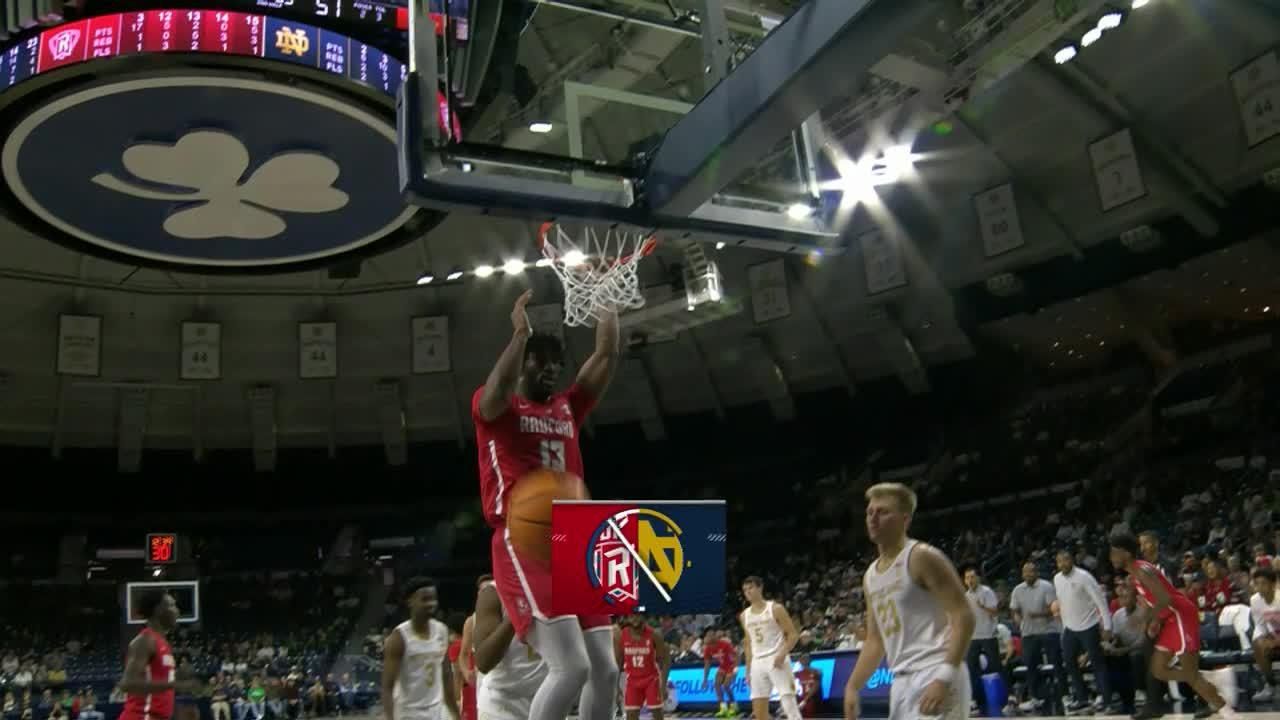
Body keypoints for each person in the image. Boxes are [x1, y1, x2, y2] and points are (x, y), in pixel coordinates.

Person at [472, 289, 621, 720]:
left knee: (606, 669)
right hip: (525, 536)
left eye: (558, 365)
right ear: (525, 364)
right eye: (543, 363)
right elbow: (497, 386)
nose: (552, 371)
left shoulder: (567, 407)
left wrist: (606, 296)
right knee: (571, 667)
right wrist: (520, 334)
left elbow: (607, 354)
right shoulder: (498, 409)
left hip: (575, 534)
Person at [843, 482, 975, 720]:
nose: (873, 518)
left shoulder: (922, 556)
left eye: (882, 512)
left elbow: (963, 615)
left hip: (935, 669)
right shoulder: (870, 575)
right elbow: (875, 640)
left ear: (905, 520)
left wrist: (944, 676)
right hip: (901, 680)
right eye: (870, 512)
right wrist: (853, 686)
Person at [1108, 532, 1235, 719]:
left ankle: (1228, 712)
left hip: (1180, 614)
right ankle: (1212, 677)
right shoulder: (1136, 572)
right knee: (1159, 669)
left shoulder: (1141, 570)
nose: (1111, 557)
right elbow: (1157, 600)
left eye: (1114, 552)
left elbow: (1166, 598)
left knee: (1189, 673)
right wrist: (1155, 620)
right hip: (1169, 617)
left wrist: (1146, 618)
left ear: (1125, 553)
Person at [381, 578, 460, 720]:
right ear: (410, 601)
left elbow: (446, 674)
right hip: (408, 714)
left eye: (434, 599)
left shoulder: (441, 630)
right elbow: (387, 687)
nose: (431, 604)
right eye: (425, 599)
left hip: (437, 711)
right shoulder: (399, 638)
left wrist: (455, 713)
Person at [472, 575, 547, 720]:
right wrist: (516, 614)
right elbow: (483, 662)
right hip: (502, 705)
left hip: (546, 701)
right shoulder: (493, 593)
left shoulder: (560, 588)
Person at [118, 591, 198, 720]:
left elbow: (158, 686)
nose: (177, 611)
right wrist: (174, 684)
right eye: (172, 605)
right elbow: (127, 684)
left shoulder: (163, 643)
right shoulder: (144, 641)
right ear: (158, 610)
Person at [1052, 548, 1113, 712]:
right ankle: (1082, 699)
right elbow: (1063, 603)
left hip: (1089, 625)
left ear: (1072, 560)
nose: (1063, 563)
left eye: (1065, 560)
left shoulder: (1084, 577)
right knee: (1070, 663)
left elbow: (1100, 601)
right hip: (1070, 628)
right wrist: (1064, 627)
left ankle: (1107, 701)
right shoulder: (1056, 579)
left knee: (1098, 664)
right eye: (1059, 561)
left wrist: (1107, 626)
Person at [738, 577, 802, 720]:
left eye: (751, 588)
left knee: (789, 705)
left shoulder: (775, 608)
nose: (748, 592)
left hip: (776, 657)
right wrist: (748, 670)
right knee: (759, 712)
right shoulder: (744, 616)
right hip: (757, 662)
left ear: (760, 588)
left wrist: (782, 653)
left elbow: (793, 635)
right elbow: (748, 644)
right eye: (745, 590)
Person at [1009, 562, 1063, 713]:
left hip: (1049, 631)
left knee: (1056, 664)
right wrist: (1017, 618)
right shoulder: (1017, 590)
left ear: (1036, 573)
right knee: (1031, 666)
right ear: (1022, 574)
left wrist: (1036, 614)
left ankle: (1062, 695)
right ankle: (1035, 697)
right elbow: (1014, 610)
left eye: (1031, 572)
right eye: (1025, 572)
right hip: (1028, 633)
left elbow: (1053, 610)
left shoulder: (1046, 586)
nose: (1028, 575)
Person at [961, 566, 1003, 715]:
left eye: (972, 577)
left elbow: (995, 611)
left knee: (995, 666)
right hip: (973, 637)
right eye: (967, 578)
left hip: (988, 635)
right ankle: (976, 700)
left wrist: (982, 606)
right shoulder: (965, 596)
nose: (970, 580)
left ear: (977, 578)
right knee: (971, 669)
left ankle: (1003, 698)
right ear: (965, 581)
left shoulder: (986, 592)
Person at [616, 616, 669, 720]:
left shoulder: (654, 635)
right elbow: (618, 663)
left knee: (657, 713)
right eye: (632, 615)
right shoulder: (622, 635)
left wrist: (663, 685)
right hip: (632, 681)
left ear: (643, 616)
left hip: (651, 679)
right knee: (630, 715)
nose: (634, 618)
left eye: (638, 614)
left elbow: (665, 661)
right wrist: (616, 686)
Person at [1249, 566, 1279, 702]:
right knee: (1257, 644)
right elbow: (1259, 625)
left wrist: (1276, 641)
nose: (1260, 587)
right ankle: (1271, 684)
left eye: (1263, 583)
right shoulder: (1255, 600)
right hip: (1274, 635)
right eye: (1257, 584)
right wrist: (1262, 640)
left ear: (1273, 584)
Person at [701, 629, 739, 718]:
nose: (708, 638)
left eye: (710, 636)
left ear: (714, 637)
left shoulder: (725, 644)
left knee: (726, 686)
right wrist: (705, 679)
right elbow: (707, 664)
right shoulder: (707, 648)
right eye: (707, 636)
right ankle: (723, 708)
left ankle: (734, 705)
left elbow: (736, 656)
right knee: (716, 684)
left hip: (731, 666)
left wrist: (735, 670)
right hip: (723, 667)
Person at [450, 617, 477, 720]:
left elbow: (457, 676)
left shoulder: (455, 646)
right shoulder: (471, 644)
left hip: (466, 693)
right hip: (477, 688)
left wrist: (457, 701)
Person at [794, 654, 822, 719]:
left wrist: (805, 700)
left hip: (811, 700)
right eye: (802, 659)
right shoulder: (796, 674)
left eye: (806, 658)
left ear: (810, 660)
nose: (804, 660)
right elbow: (793, 687)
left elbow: (816, 686)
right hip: (800, 700)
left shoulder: (817, 672)